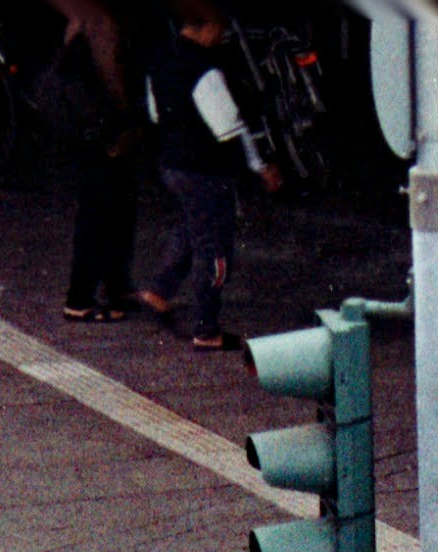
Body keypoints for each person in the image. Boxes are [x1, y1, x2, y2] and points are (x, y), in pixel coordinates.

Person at [137, 0, 277, 350]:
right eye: (222, 28)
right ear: (210, 25)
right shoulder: (203, 68)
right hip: (205, 170)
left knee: (189, 226)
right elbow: (229, 128)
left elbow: (155, 114)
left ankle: (158, 291)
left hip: (172, 165)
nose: (223, 35)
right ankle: (206, 328)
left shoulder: (160, 59)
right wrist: (260, 167)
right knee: (214, 248)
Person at [38, 0, 138, 321]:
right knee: (104, 199)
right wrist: (121, 121)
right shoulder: (99, 23)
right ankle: (82, 296)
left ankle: (112, 284)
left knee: (110, 196)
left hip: (82, 115)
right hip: (97, 119)